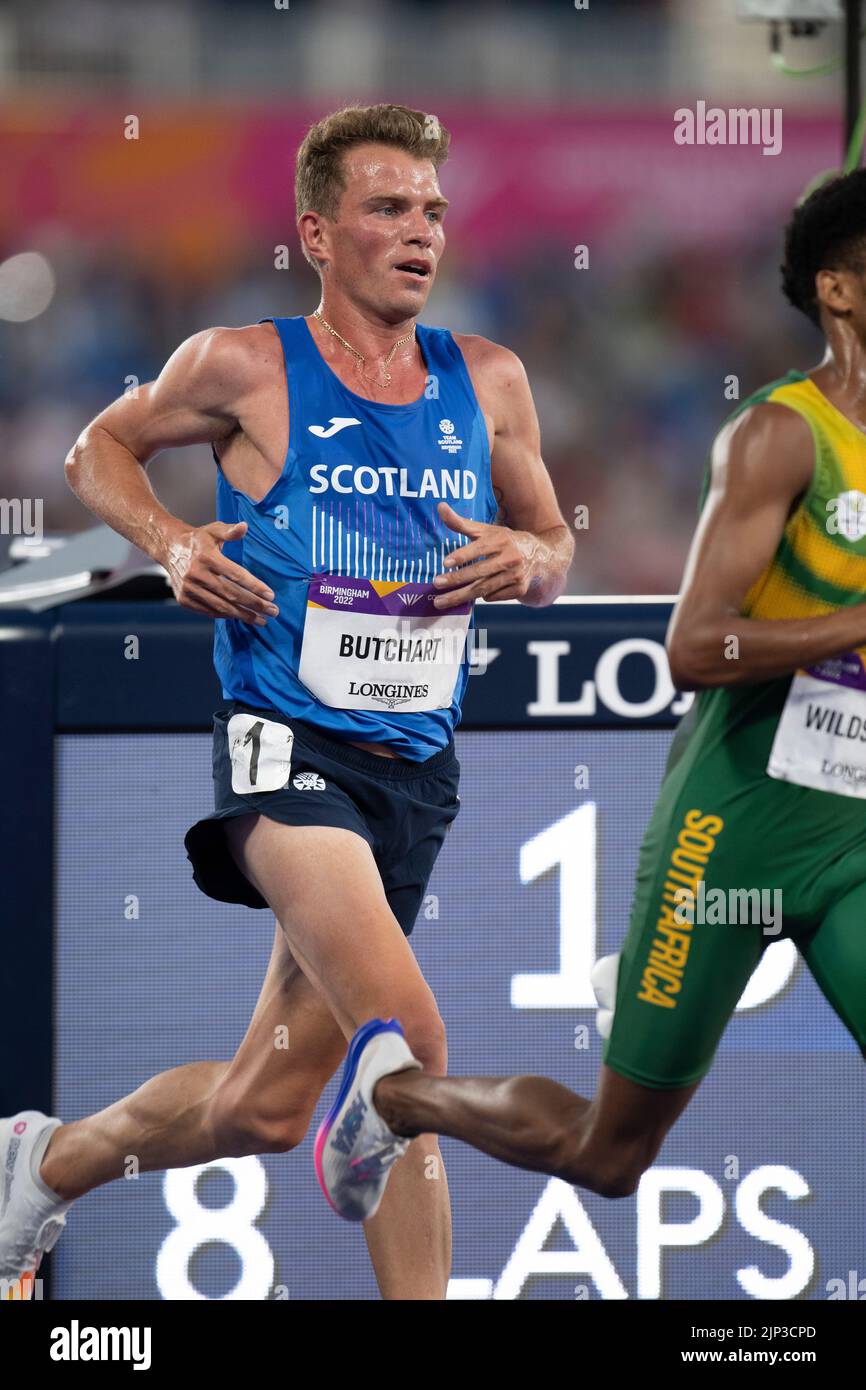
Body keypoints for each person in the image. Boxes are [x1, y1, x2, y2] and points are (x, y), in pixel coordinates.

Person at [0, 103, 574, 1299]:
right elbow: (96, 451)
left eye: (430, 211)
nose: (419, 234)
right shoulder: (244, 366)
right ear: (316, 232)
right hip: (284, 746)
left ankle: (43, 1161)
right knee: (407, 1043)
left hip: (414, 766)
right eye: (385, 209)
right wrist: (168, 543)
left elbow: (553, 541)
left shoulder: (491, 380)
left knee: (266, 1105)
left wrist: (529, 560)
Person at [316, 166, 866, 1215]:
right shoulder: (779, 434)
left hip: (850, 844)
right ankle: (402, 1098)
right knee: (608, 1156)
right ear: (837, 291)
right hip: (731, 837)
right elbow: (693, 648)